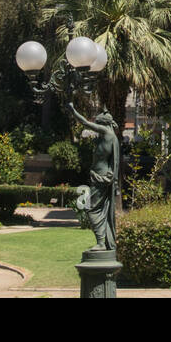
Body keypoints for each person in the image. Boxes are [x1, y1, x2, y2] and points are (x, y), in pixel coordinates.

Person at [68, 102, 120, 251]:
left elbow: (84, 122)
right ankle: (103, 242)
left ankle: (101, 243)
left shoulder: (106, 132)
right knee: (100, 209)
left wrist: (73, 110)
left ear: (102, 124)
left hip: (100, 177)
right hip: (101, 176)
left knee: (91, 209)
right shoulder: (112, 136)